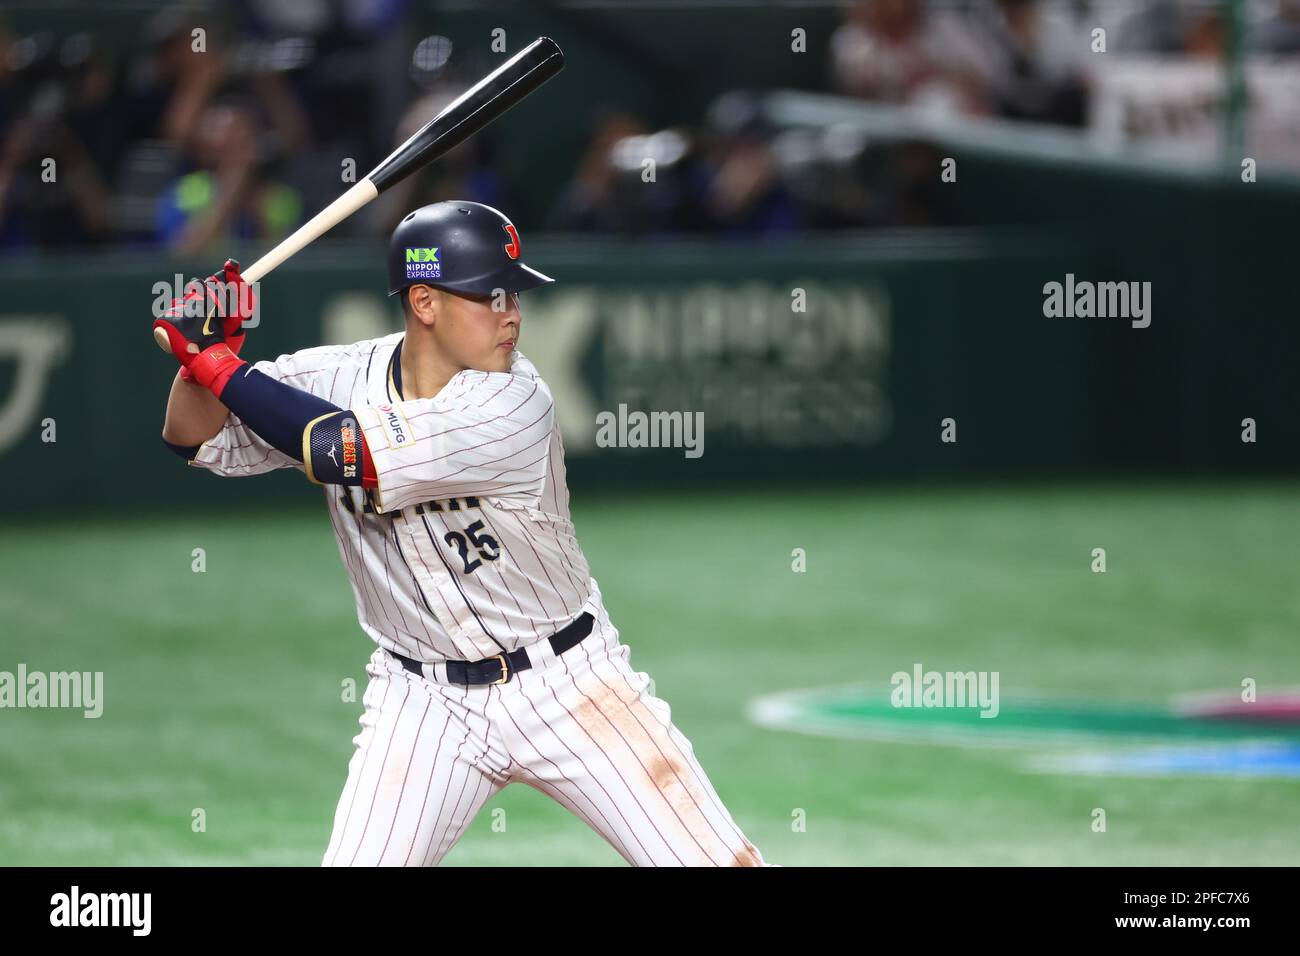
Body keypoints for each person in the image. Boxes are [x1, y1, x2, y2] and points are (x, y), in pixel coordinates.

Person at [154, 200, 771, 867]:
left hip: (567, 682)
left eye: (514, 293)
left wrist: (218, 363)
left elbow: (340, 449)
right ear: (424, 302)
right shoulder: (338, 374)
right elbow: (190, 435)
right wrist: (205, 360)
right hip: (421, 700)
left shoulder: (514, 401)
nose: (513, 312)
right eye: (490, 294)